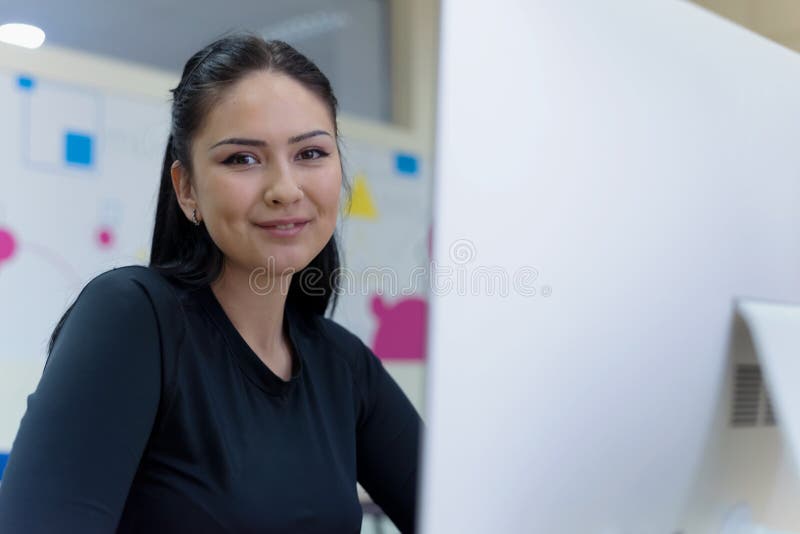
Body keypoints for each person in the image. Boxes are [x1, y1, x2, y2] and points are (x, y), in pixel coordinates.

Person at [0, 33, 424, 533]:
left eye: (310, 153)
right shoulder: (133, 318)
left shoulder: (343, 365)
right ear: (186, 189)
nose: (285, 189)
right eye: (242, 159)